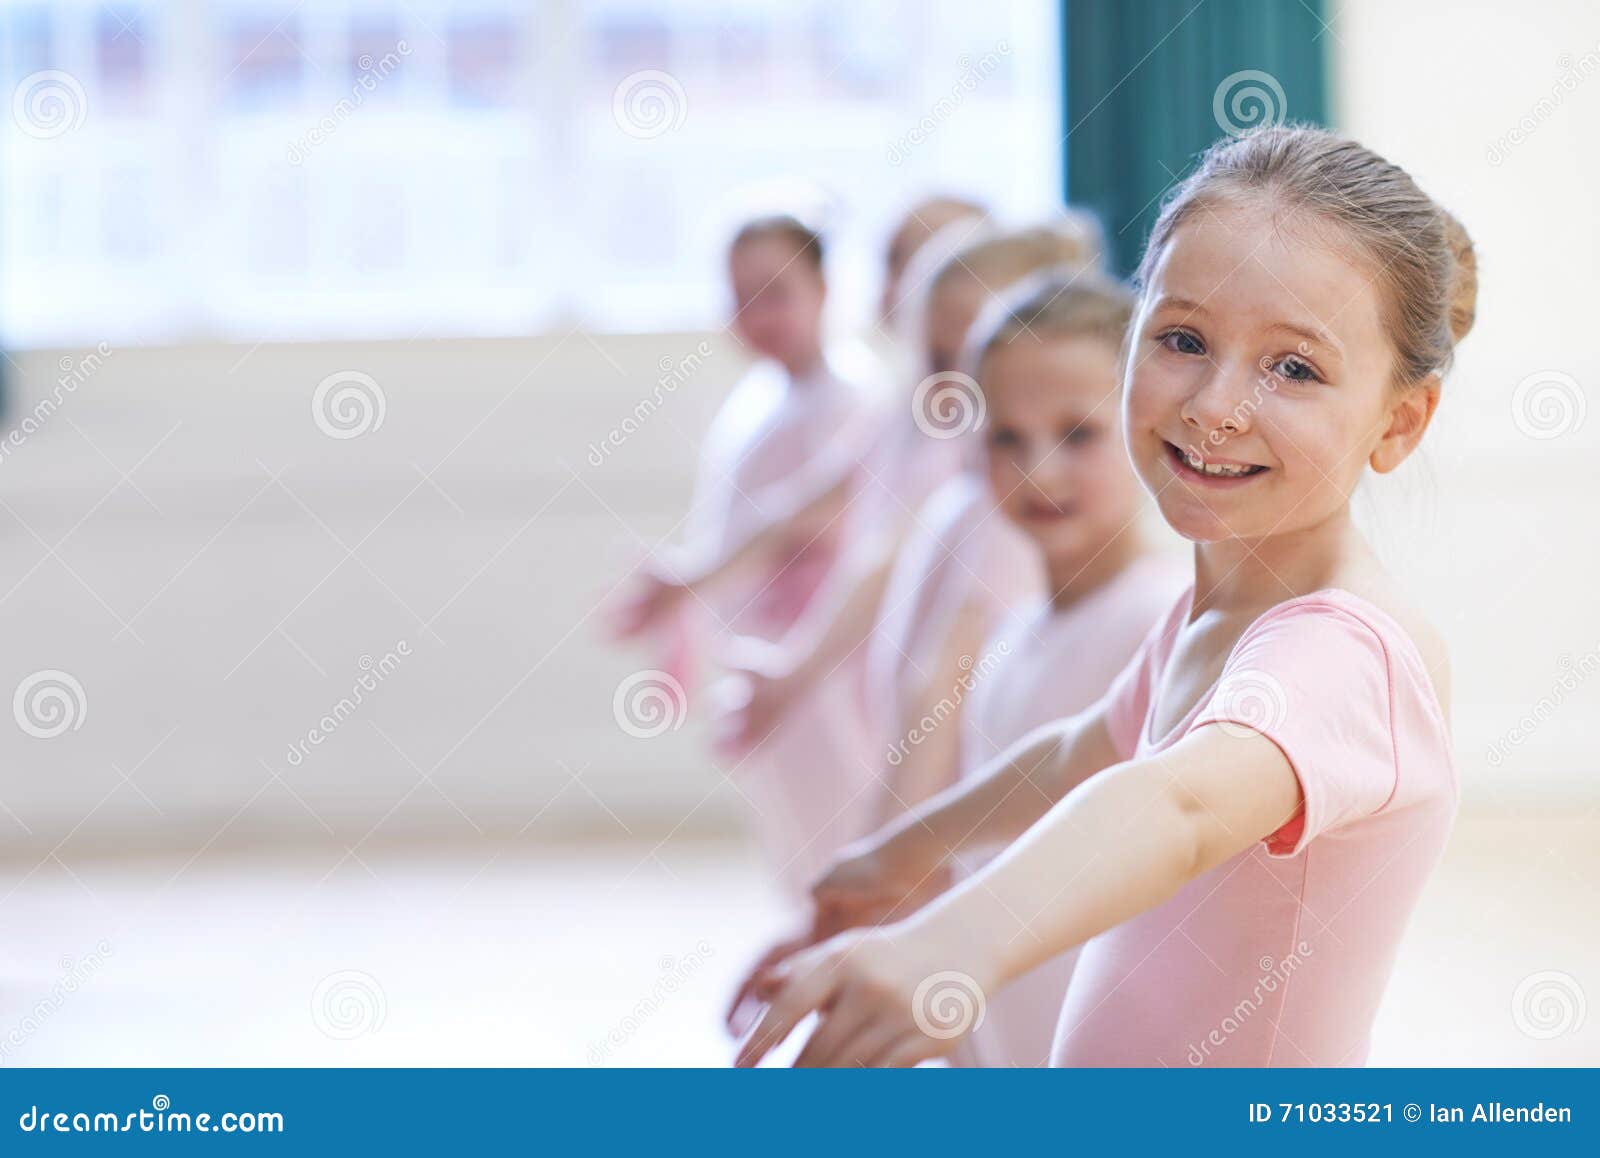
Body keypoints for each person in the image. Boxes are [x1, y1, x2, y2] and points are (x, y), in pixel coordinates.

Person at [735, 125, 1477, 1068]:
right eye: (1183, 339)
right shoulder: (1214, 615)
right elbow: (1082, 755)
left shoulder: (1343, 653)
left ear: (1399, 423)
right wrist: (902, 855)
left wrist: (953, 941)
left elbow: (1178, 805)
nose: (1216, 404)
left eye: (1293, 367)